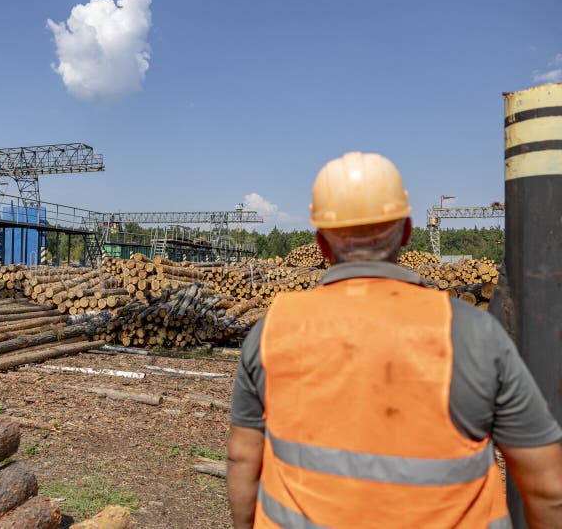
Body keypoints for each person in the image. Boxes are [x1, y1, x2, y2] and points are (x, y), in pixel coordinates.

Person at [227, 152, 562, 528]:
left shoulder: (273, 329)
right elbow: (548, 487)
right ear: (405, 232)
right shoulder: (472, 331)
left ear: (321, 245)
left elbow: (243, 459)